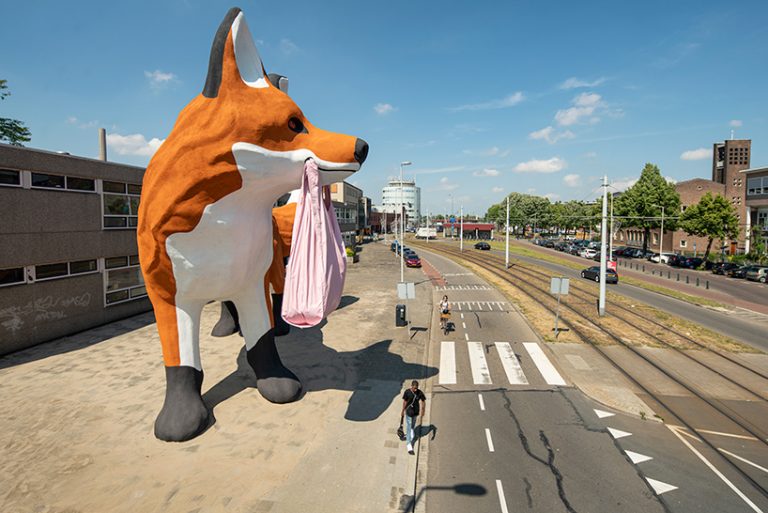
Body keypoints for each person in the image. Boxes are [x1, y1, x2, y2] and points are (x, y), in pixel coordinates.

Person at [401, 380, 426, 455]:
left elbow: (423, 400)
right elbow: (405, 401)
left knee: (412, 425)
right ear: (411, 386)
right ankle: (409, 445)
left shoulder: (419, 392)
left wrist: (423, 410)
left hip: (416, 412)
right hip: (409, 412)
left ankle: (412, 431)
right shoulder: (407, 392)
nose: (415, 390)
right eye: (414, 388)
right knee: (408, 427)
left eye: (416, 388)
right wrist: (403, 410)